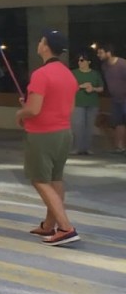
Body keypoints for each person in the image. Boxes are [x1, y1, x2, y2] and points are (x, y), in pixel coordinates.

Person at [16, 30, 80, 246]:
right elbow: (69, 106)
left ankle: (65, 228)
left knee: (40, 180)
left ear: (45, 46)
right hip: (63, 132)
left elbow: (33, 110)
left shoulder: (41, 74)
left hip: (42, 134)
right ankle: (49, 226)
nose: (39, 43)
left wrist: (20, 112)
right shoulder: (68, 74)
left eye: (41, 40)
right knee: (55, 179)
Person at [95, 44, 126, 154]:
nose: (98, 55)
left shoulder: (122, 64)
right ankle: (119, 147)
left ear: (108, 53)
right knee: (118, 123)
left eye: (101, 52)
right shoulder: (105, 67)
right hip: (115, 99)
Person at [71, 53, 103, 155]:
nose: (80, 62)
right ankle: (77, 148)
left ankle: (87, 148)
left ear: (88, 62)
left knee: (89, 126)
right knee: (78, 126)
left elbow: (101, 88)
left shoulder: (95, 74)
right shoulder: (74, 73)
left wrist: (93, 88)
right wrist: (81, 86)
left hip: (92, 103)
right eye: (79, 60)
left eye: (82, 60)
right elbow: (69, 86)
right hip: (78, 103)